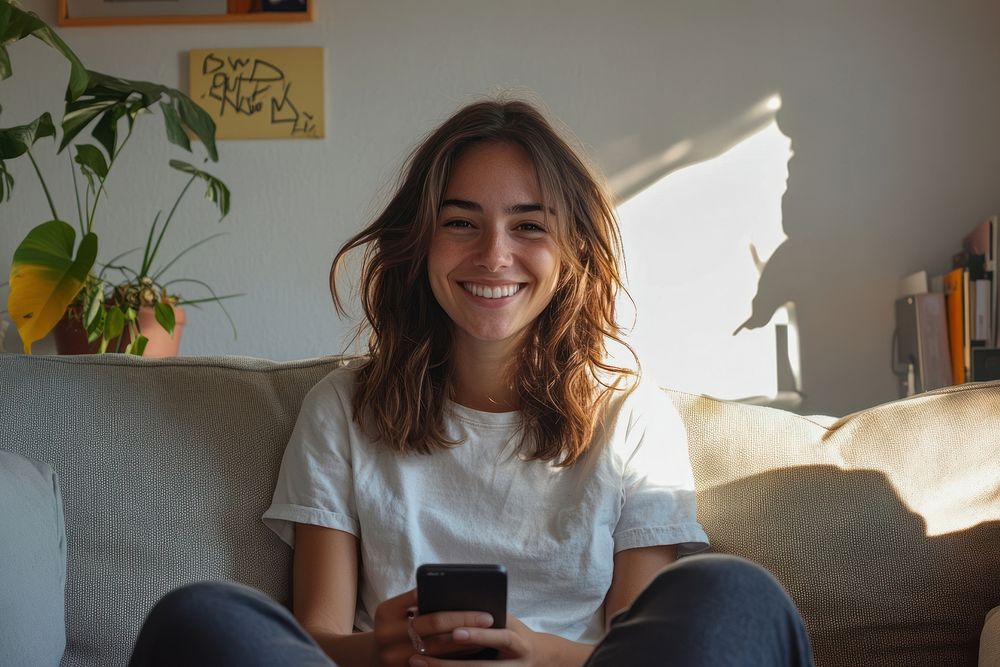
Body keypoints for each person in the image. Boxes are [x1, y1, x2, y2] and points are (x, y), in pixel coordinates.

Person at [129, 98, 814, 667]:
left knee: (735, 593)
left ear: (573, 248)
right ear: (420, 241)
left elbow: (638, 649)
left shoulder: (631, 415)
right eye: (461, 223)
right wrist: (383, 649)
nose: (494, 254)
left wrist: (536, 652)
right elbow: (319, 640)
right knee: (200, 617)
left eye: (528, 226)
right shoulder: (343, 407)